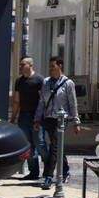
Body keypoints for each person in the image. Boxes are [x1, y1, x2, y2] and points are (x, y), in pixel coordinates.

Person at [35, 56, 81, 189]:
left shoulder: (68, 83)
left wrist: (76, 122)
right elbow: (42, 102)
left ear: (60, 66)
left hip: (61, 120)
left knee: (54, 147)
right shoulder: (46, 82)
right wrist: (37, 119)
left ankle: (48, 176)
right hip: (48, 118)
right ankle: (65, 170)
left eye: (52, 66)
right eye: (49, 66)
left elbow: (73, 104)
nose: (50, 69)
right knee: (57, 146)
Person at [10, 56, 43, 180]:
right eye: (20, 65)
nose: (20, 67)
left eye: (23, 64)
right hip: (23, 116)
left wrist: (39, 117)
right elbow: (16, 100)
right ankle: (33, 172)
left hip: (36, 116)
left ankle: (49, 168)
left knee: (40, 143)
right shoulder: (19, 81)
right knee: (28, 145)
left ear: (30, 65)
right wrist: (13, 117)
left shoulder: (39, 80)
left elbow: (43, 100)